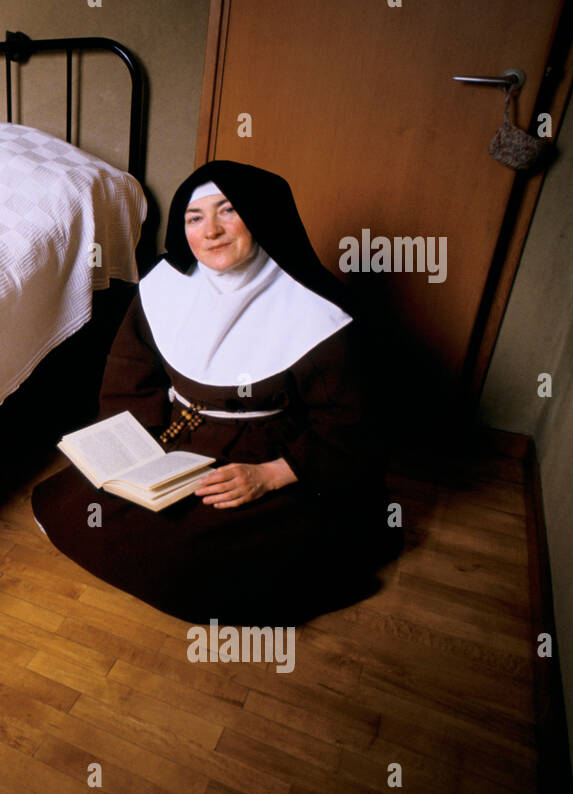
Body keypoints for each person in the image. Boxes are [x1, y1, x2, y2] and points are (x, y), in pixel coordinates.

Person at [31, 160, 400, 626]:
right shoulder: (166, 286)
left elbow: (350, 427)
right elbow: (132, 370)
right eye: (195, 217)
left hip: (267, 450)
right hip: (173, 433)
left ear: (261, 217)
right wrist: (134, 447)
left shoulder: (318, 313)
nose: (211, 231)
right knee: (79, 510)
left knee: (202, 565)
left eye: (228, 212)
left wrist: (269, 476)